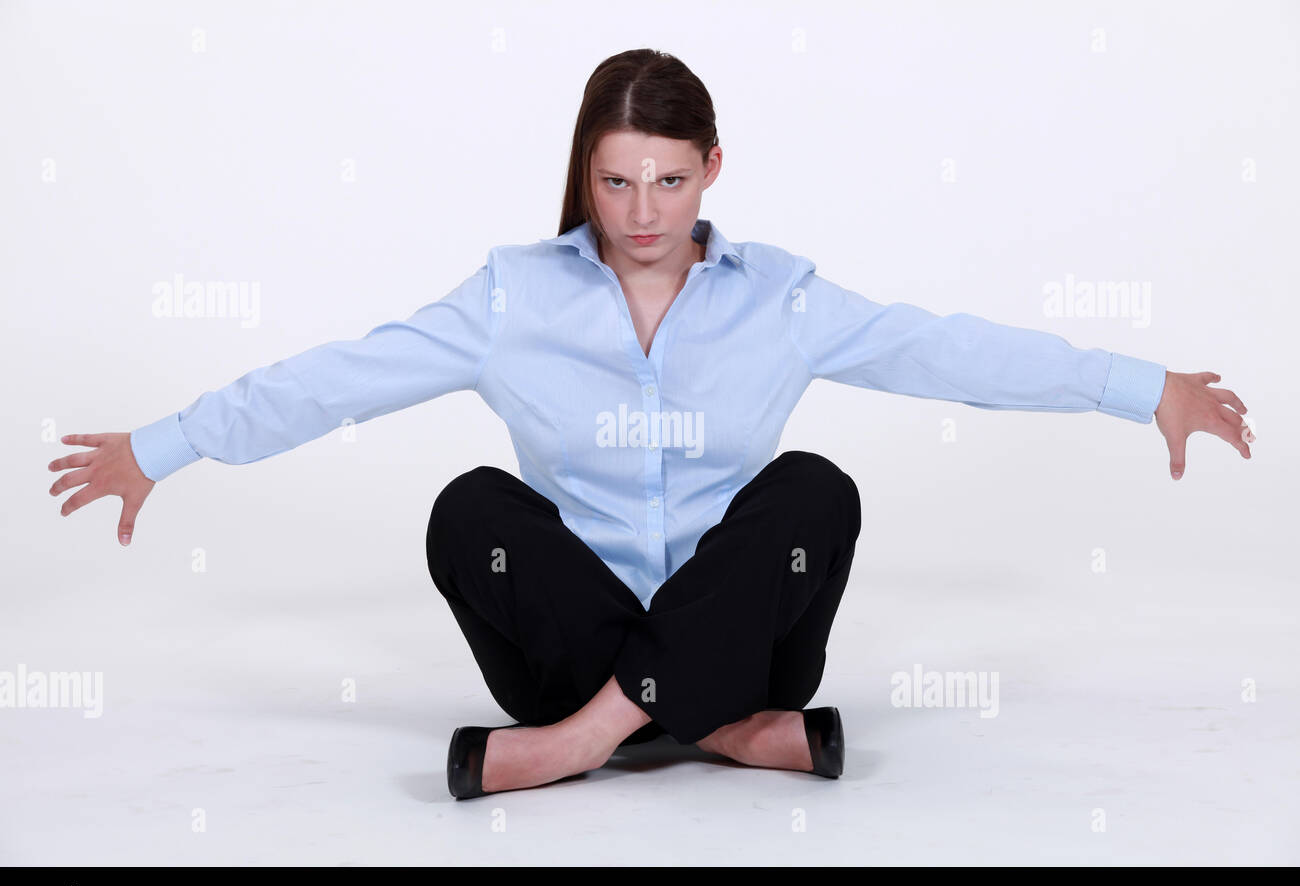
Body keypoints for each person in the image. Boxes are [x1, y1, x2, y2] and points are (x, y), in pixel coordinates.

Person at [47, 49, 1253, 801]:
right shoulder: (513, 297)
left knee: (814, 489)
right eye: (616, 180)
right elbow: (345, 374)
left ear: (712, 166)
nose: (641, 210)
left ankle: (583, 747)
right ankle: (725, 736)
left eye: (669, 179)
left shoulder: (779, 295)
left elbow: (943, 347)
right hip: (569, 642)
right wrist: (162, 446)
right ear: (584, 173)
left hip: (741, 635)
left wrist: (1141, 382)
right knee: (471, 507)